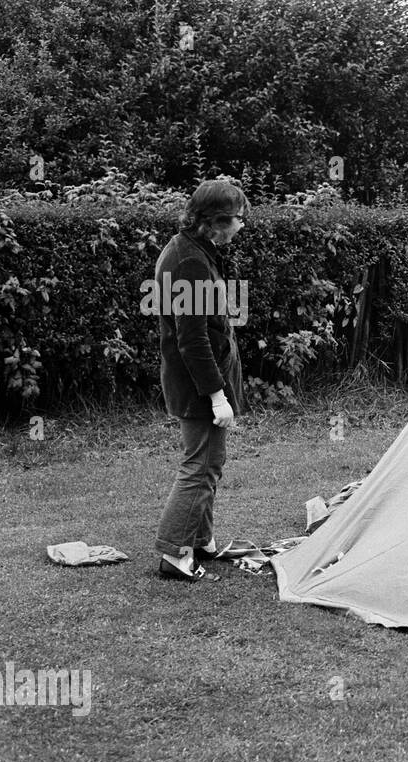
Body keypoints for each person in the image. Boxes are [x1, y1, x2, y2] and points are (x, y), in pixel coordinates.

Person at [154, 179, 249, 582]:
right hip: (197, 384)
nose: (241, 228)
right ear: (214, 222)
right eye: (238, 221)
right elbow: (190, 339)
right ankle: (175, 553)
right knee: (200, 465)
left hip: (196, 379)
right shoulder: (190, 261)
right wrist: (216, 396)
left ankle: (202, 541)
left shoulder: (193, 250)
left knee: (211, 461)